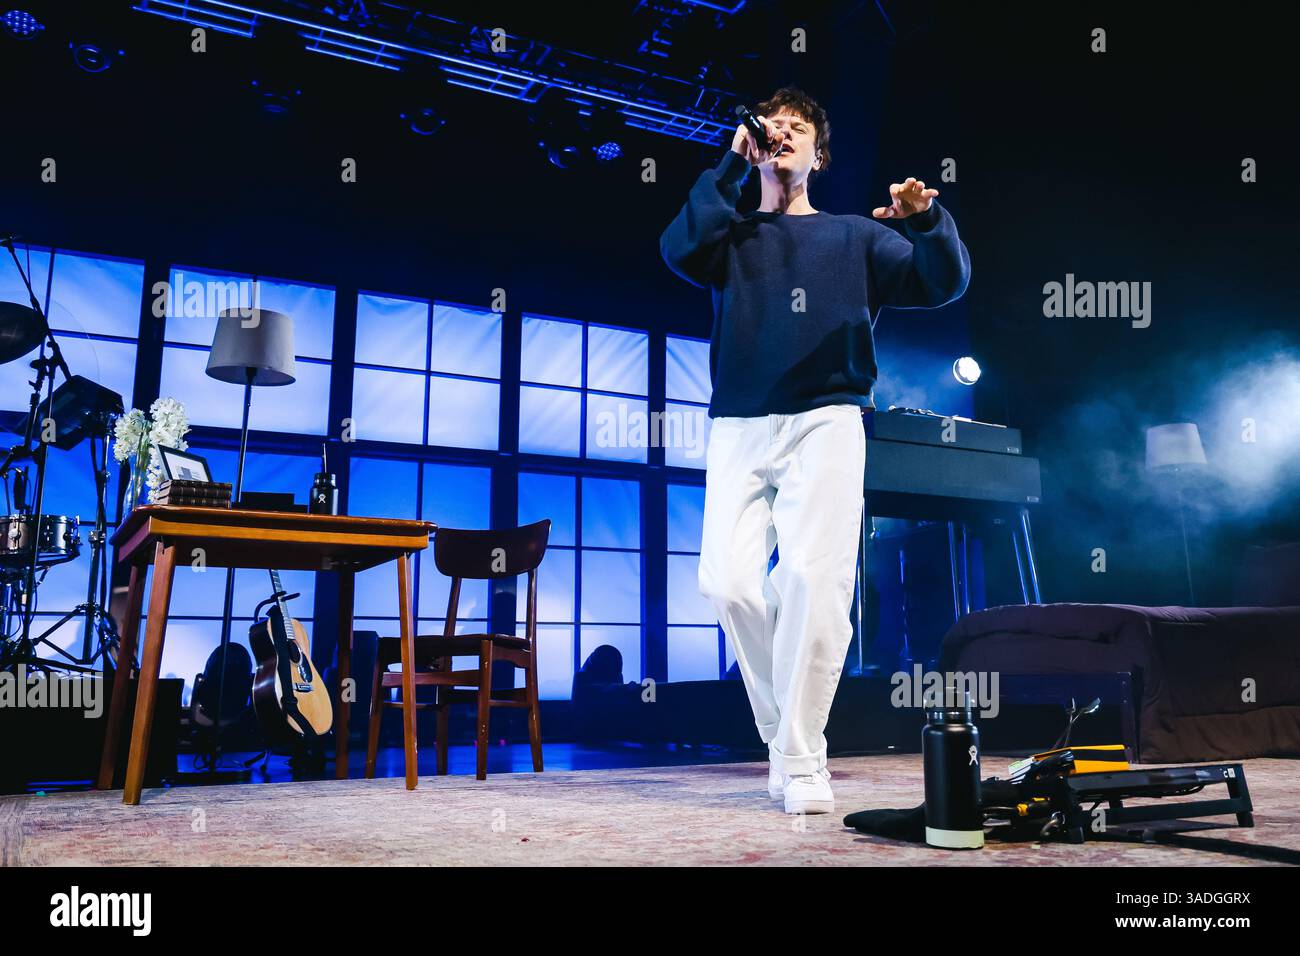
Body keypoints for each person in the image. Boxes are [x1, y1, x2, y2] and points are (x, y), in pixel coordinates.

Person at [659, 87, 970, 814]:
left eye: (798, 129)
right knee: (728, 584)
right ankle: (784, 737)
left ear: (819, 155)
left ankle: (801, 758)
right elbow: (677, 248)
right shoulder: (730, 237)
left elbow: (942, 281)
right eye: (772, 127)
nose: (783, 134)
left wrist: (927, 220)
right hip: (739, 422)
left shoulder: (855, 235)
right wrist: (729, 168)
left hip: (828, 418)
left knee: (812, 581)